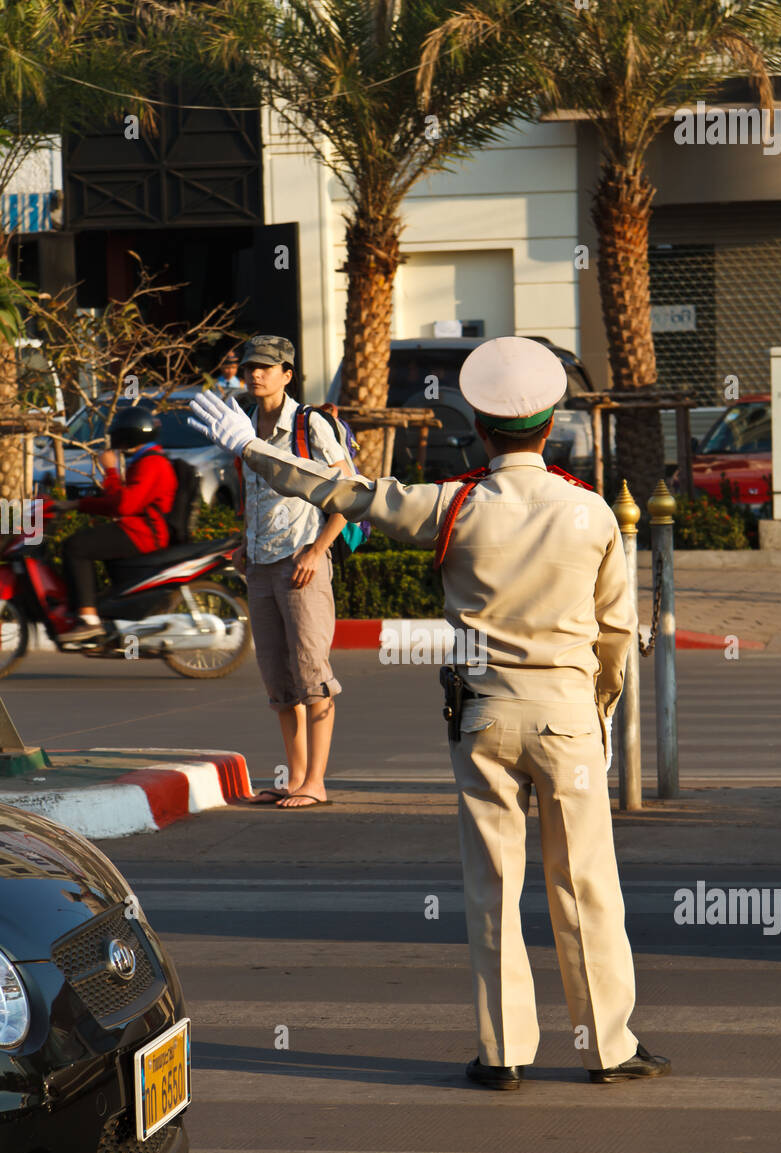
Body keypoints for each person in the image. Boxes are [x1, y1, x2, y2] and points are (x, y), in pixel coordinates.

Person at [189, 337, 672, 1087]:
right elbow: (614, 634)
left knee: (492, 888)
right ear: (551, 427)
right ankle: (607, 1049)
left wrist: (251, 448)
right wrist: (599, 711)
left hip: (484, 717)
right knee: (587, 888)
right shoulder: (591, 512)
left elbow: (345, 493)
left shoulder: (454, 504)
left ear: (479, 428)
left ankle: (504, 1052)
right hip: (569, 720)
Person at [228, 333, 354, 809]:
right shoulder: (243, 424)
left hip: (302, 563)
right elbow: (254, 495)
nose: (255, 374)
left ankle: (316, 782)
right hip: (260, 565)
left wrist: (317, 551)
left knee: (311, 671)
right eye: (249, 367)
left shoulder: (309, 424)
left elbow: (349, 493)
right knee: (278, 679)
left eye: (266, 367)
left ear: (287, 374)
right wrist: (245, 544)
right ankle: (295, 777)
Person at [57, 405, 178, 644]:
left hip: (143, 534)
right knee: (86, 544)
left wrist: (110, 470)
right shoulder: (146, 460)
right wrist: (75, 505)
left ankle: (89, 619)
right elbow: (117, 503)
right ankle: (94, 609)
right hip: (137, 530)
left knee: (76, 546)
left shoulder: (152, 463)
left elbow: (123, 506)